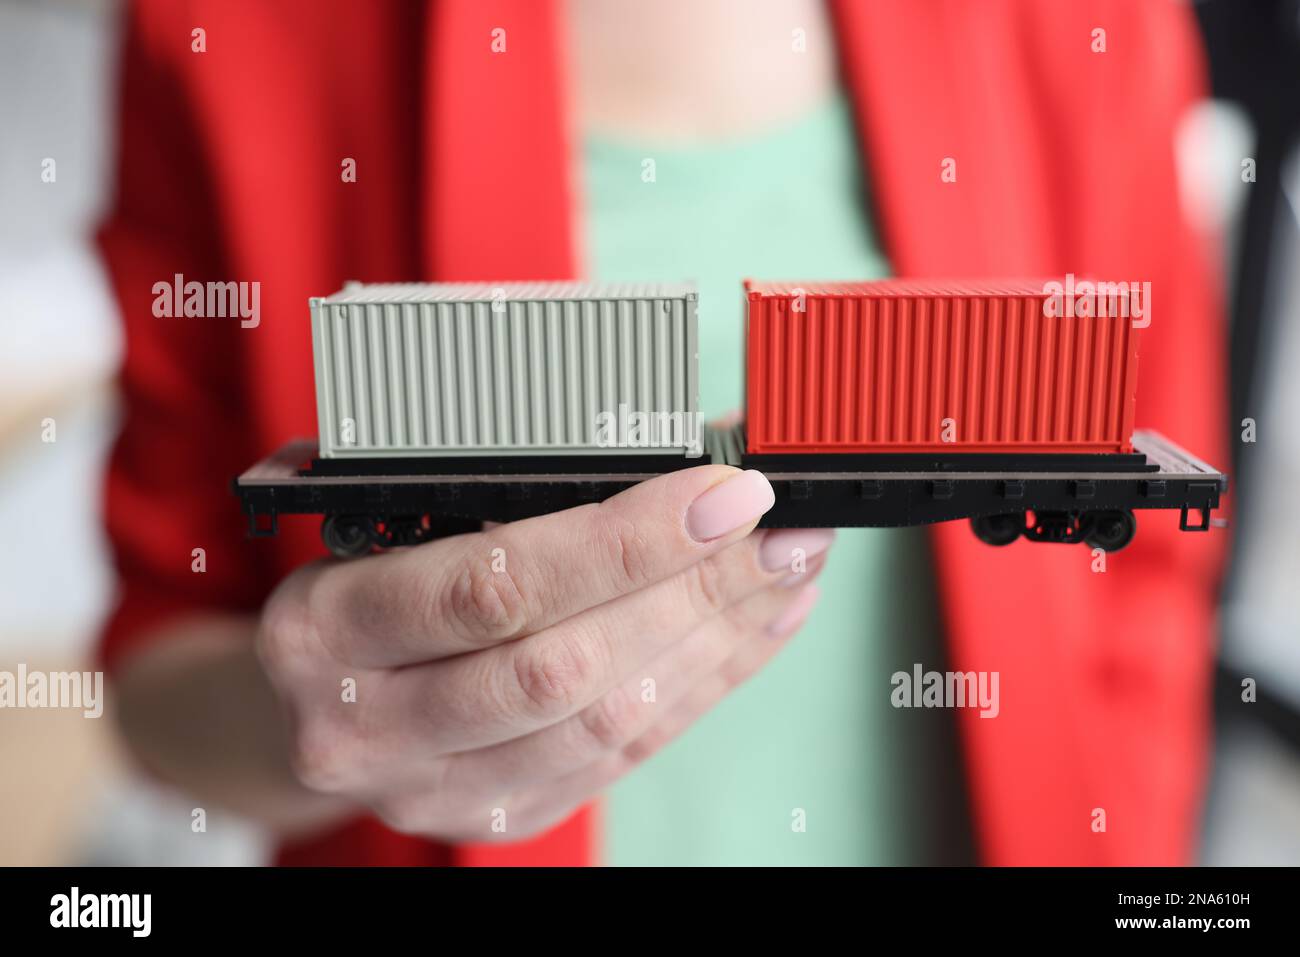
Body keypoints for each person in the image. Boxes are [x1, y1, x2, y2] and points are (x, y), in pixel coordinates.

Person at [99, 0, 1226, 866]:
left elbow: (1151, 592)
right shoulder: (230, 31)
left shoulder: (1096, 23)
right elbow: (154, 671)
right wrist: (331, 728)